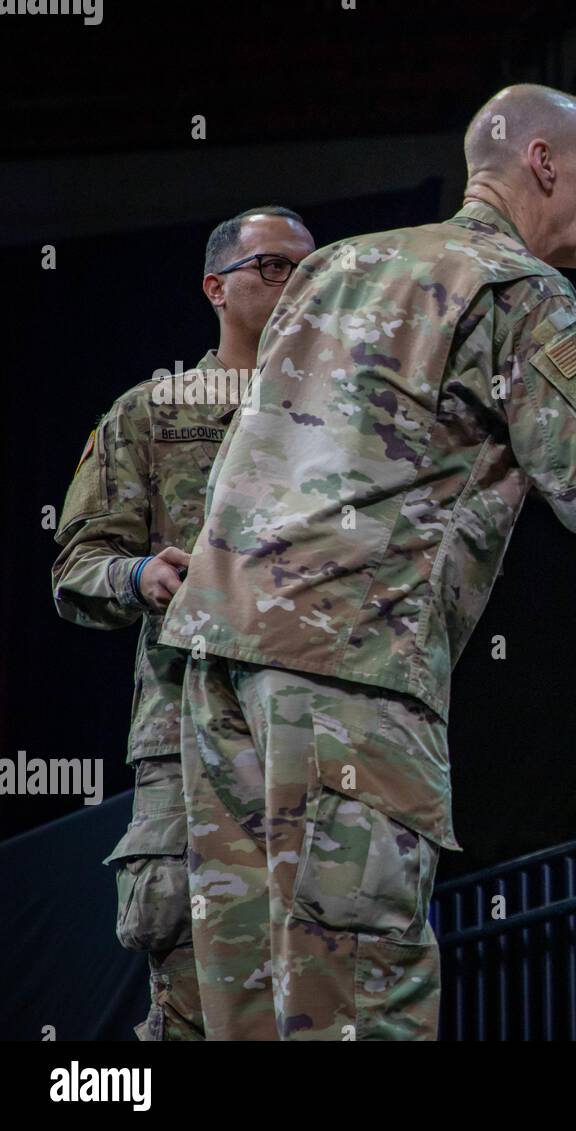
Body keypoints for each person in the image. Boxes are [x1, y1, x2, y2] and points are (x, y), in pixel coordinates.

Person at [157, 85, 576, 1041]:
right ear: (542, 163)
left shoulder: (333, 266)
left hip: (213, 666)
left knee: (243, 1006)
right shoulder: (516, 288)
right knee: (361, 998)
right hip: (349, 672)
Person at [50, 205, 316, 1040]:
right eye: (273, 267)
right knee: (200, 994)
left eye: (310, 271)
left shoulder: (349, 423)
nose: (296, 285)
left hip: (322, 738)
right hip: (191, 738)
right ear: (216, 287)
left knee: (330, 983)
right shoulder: (154, 414)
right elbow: (76, 567)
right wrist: (139, 573)